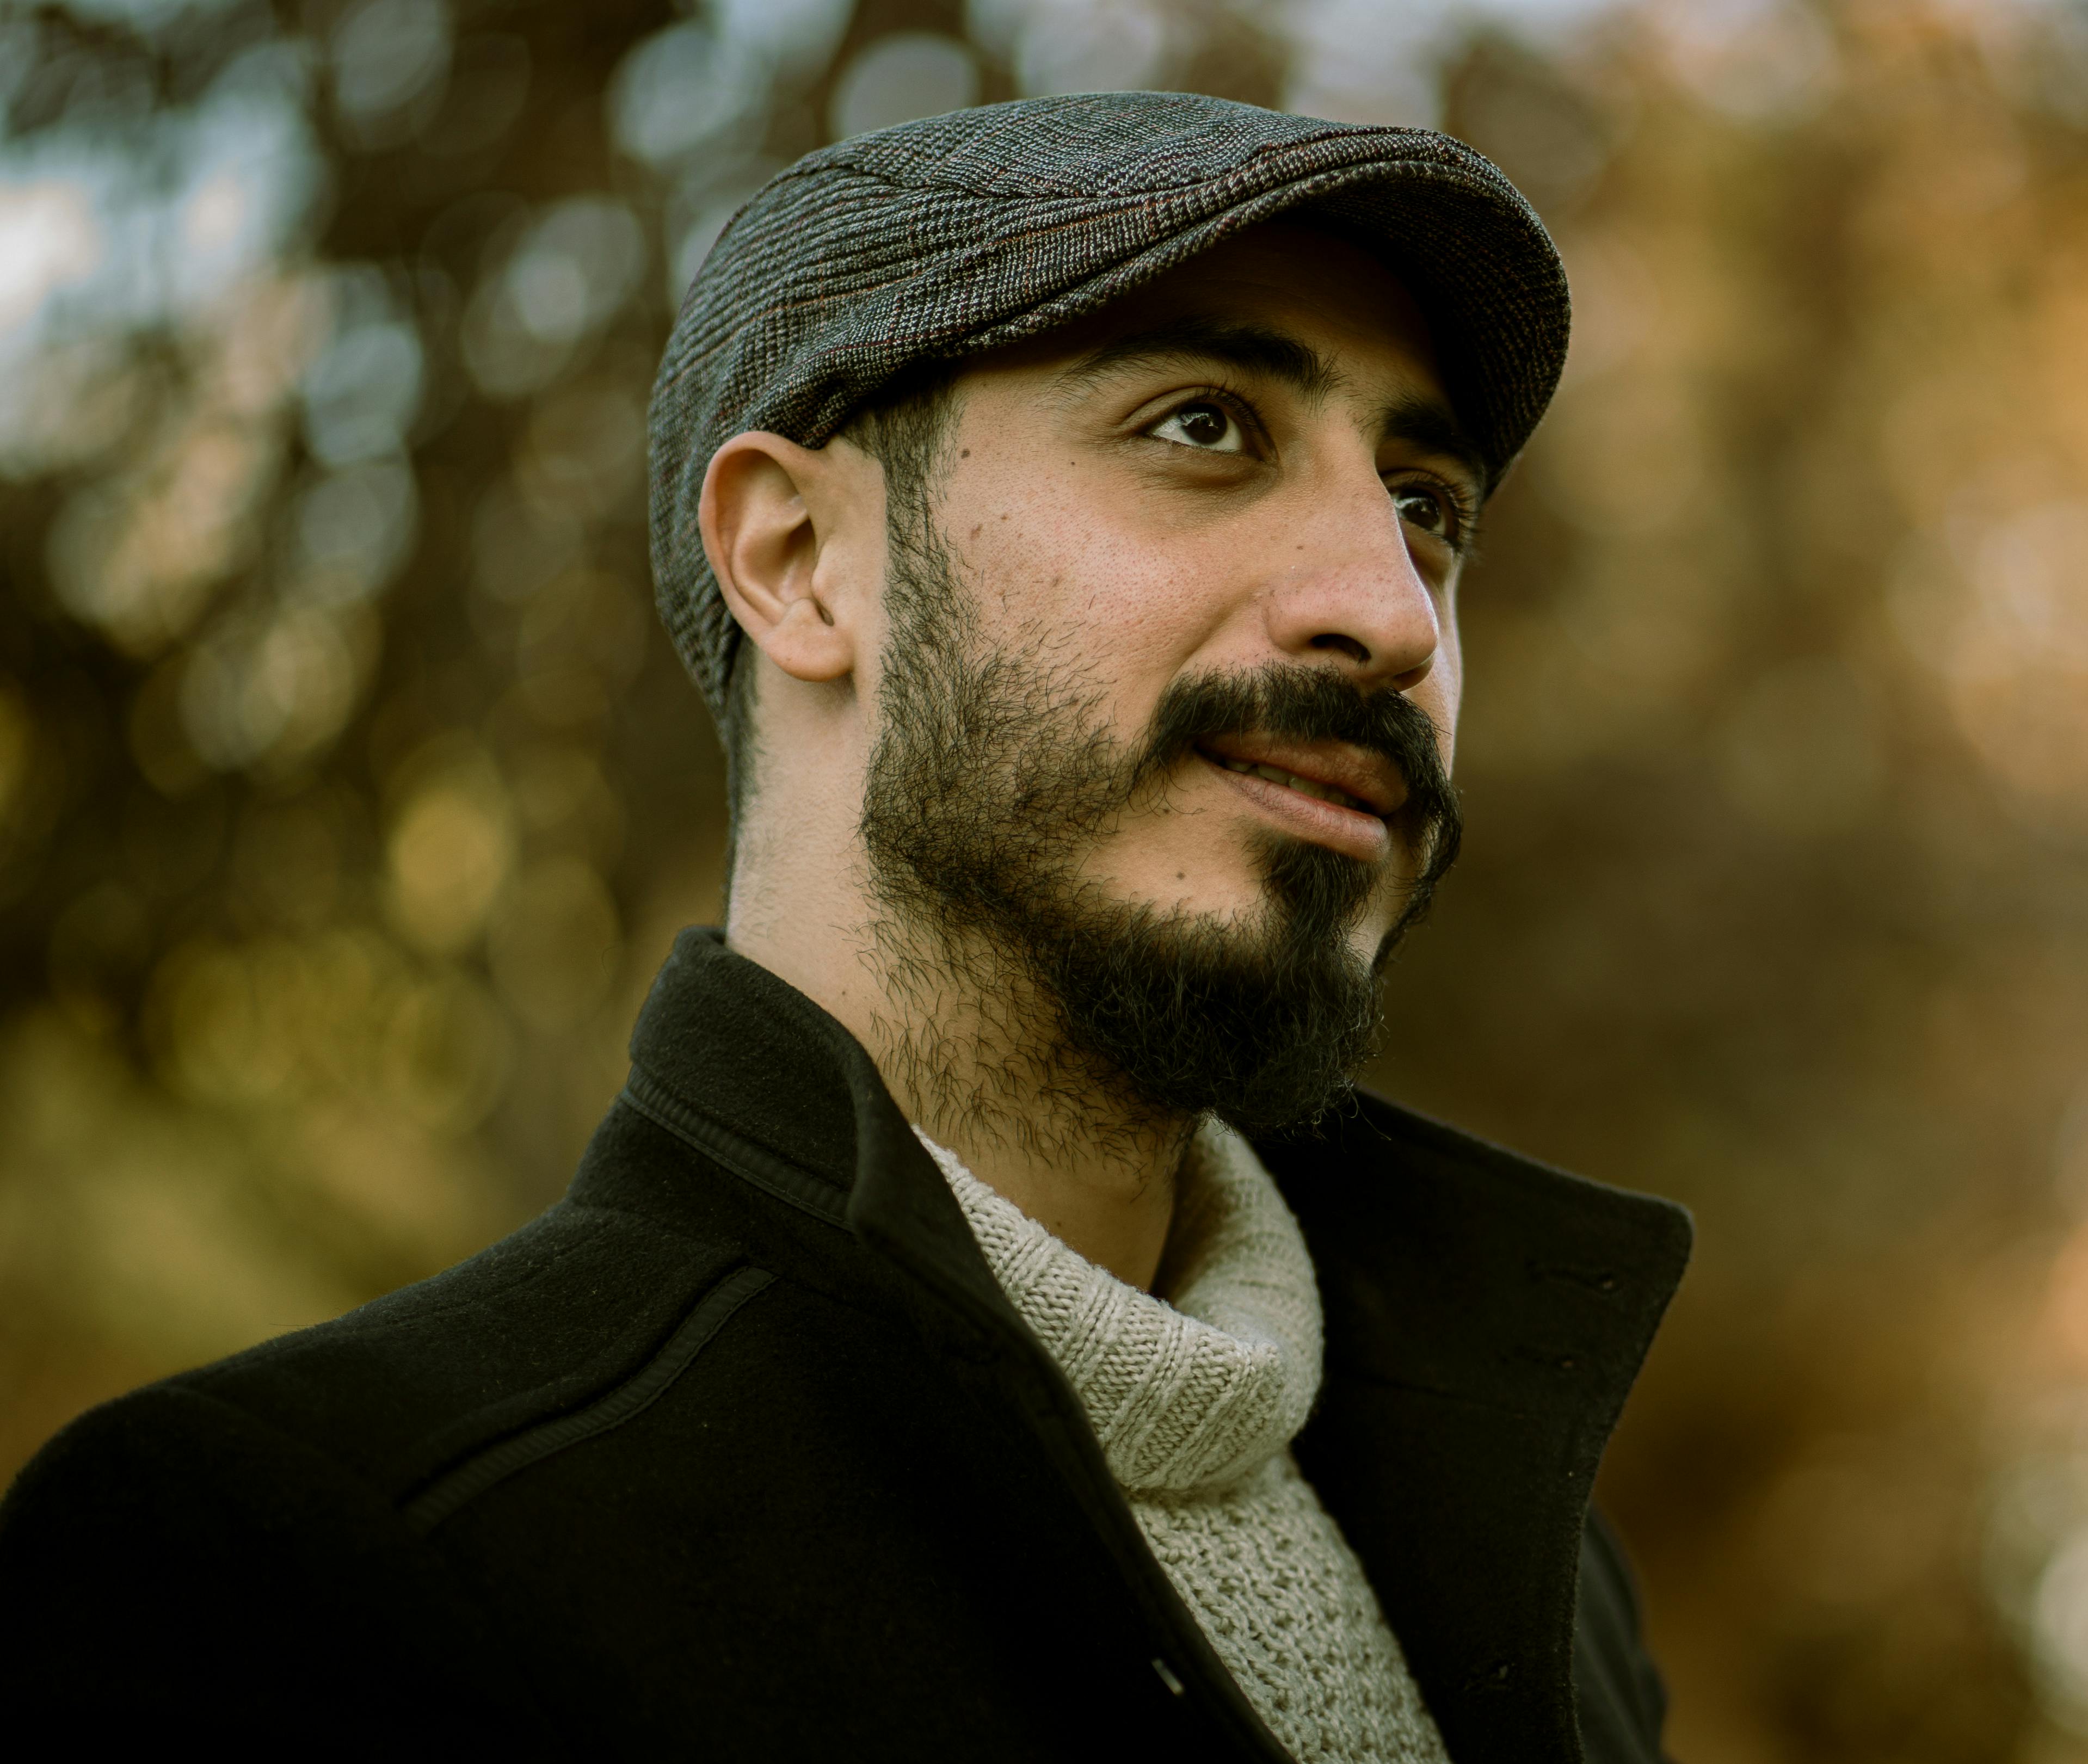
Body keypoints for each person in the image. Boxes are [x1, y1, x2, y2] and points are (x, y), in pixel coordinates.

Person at [0, 94, 1689, 1762]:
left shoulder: (1542, 1568)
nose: (1390, 611)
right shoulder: (298, 1563)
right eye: (1204, 426)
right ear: (799, 558)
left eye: (1427, 507)